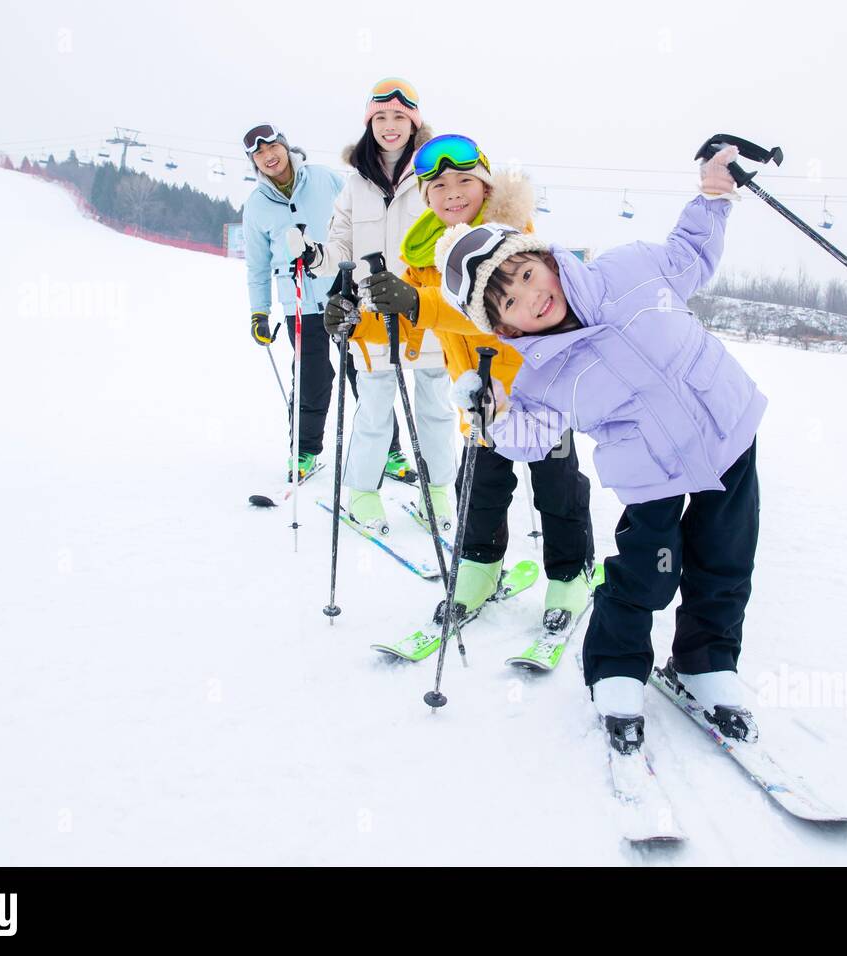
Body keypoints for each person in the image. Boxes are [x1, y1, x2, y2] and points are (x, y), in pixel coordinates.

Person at [437, 146, 768, 751]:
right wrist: (493, 417)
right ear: (504, 328)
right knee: (646, 573)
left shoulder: (631, 268)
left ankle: (705, 664)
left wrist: (713, 195)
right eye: (509, 301)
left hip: (727, 431)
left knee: (725, 562)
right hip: (651, 476)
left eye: (527, 274)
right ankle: (616, 670)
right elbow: (532, 438)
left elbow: (689, 255)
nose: (532, 297)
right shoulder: (541, 377)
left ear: (544, 258)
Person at [354, 133, 595, 626]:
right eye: (439, 187)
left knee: (557, 488)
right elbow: (412, 324)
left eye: (464, 181)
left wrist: (417, 302)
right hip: (479, 397)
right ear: (426, 198)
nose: (453, 194)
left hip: (537, 390)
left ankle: (572, 576)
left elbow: (482, 311)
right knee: (480, 489)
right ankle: (478, 570)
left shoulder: (509, 238)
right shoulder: (423, 255)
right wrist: (357, 320)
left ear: (486, 186)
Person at [316, 78, 453, 532]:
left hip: (426, 308)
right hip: (373, 311)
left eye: (398, 117)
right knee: (374, 406)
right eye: (380, 117)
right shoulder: (355, 184)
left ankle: (437, 492)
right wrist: (317, 257)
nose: (389, 126)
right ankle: (362, 493)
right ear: (369, 123)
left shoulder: (434, 175)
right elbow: (341, 244)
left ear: (414, 123)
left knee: (435, 407)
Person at [241, 123, 347, 482]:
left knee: (365, 373)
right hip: (299, 304)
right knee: (311, 379)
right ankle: (304, 452)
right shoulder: (257, 206)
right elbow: (257, 266)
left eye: (272, 147)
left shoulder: (323, 178)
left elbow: (357, 222)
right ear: (254, 162)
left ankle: (388, 450)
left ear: (285, 147)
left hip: (343, 294)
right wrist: (259, 312)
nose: (268, 156)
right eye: (259, 153)